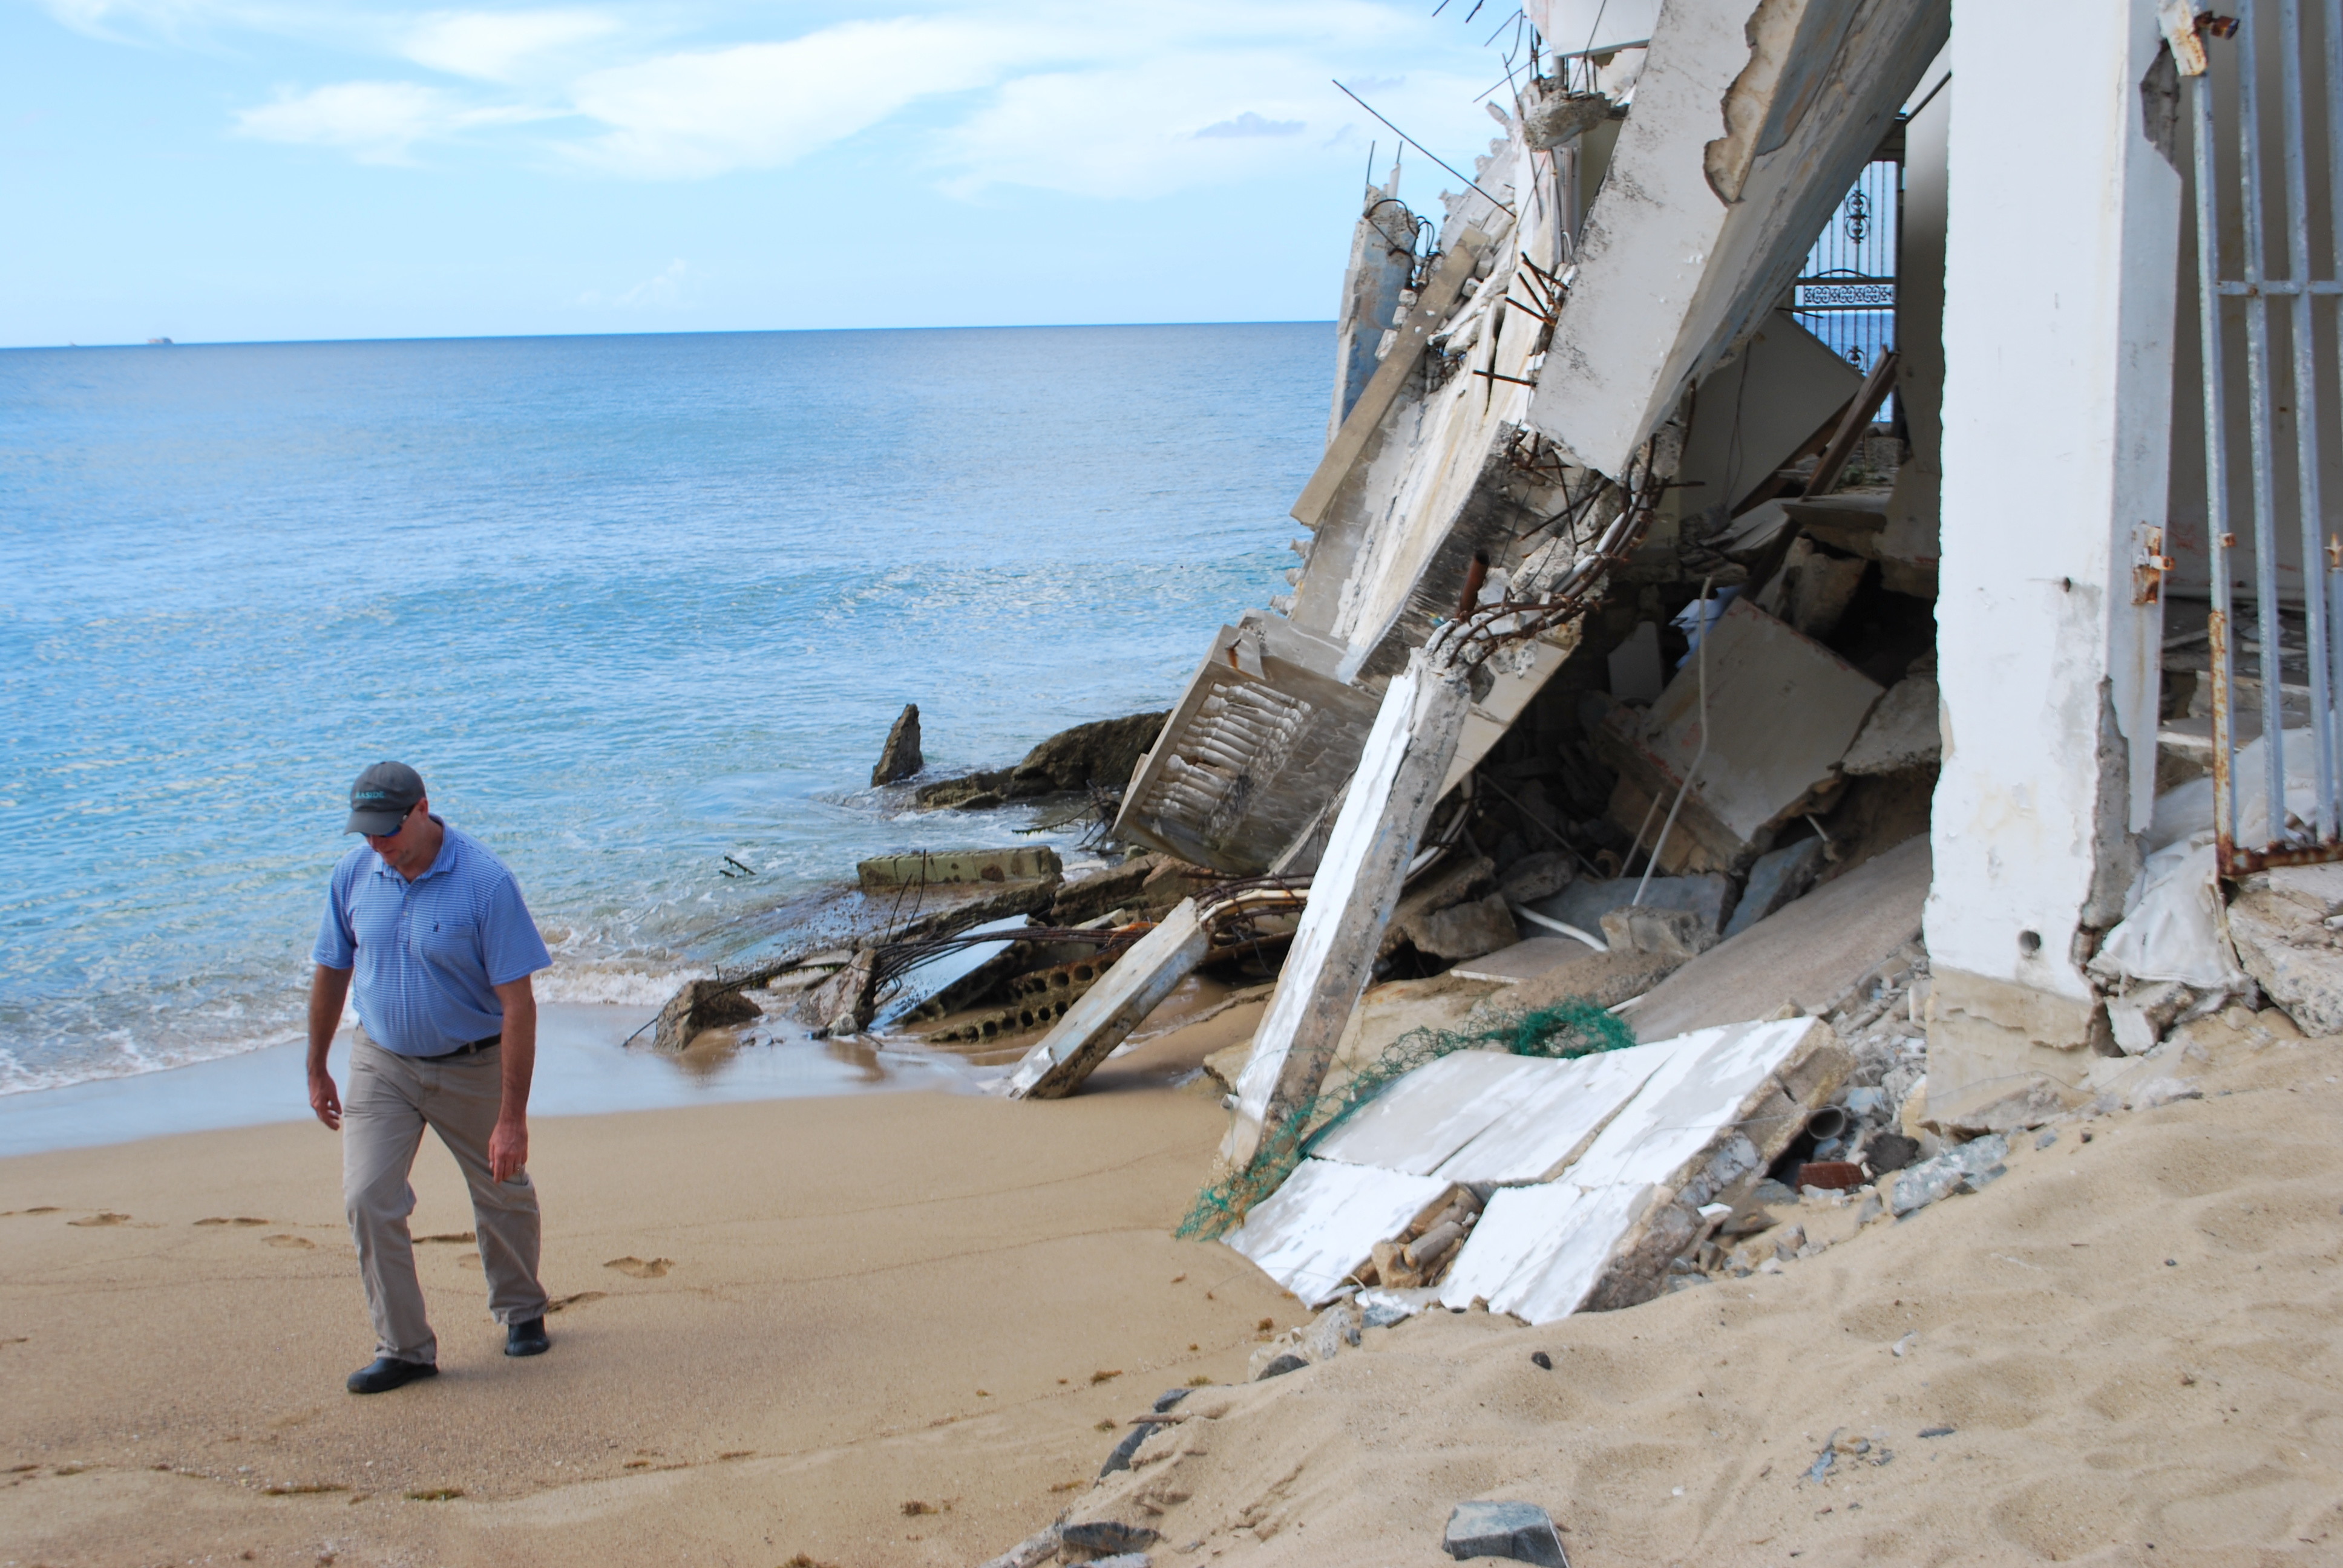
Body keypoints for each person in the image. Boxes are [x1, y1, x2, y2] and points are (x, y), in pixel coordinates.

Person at [305, 760, 555, 1394]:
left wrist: (511, 1118)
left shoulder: (485, 883)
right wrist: (316, 1065)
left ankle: (521, 1310)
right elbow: (332, 971)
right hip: (381, 1062)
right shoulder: (353, 877)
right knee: (367, 1198)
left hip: (472, 1060)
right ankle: (406, 1349)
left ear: (422, 809)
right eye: (365, 831)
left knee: (502, 1189)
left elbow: (518, 1004)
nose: (377, 843)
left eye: (388, 828)